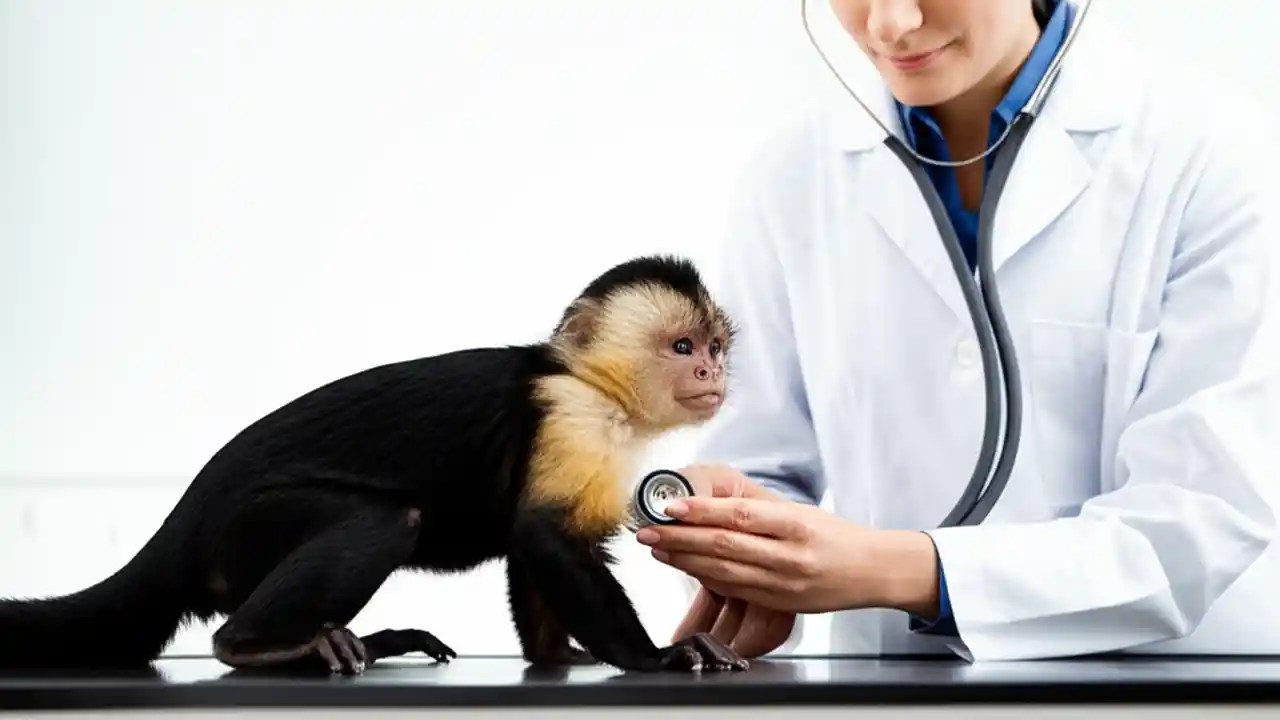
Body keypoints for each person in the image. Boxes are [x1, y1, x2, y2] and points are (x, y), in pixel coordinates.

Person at [634, 0, 1280, 662]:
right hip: (897, 694)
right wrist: (739, 527)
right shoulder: (792, 175)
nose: (889, 25)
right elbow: (762, 454)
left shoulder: (1213, 152)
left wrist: (895, 570)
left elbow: (1198, 521)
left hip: (1179, 687)